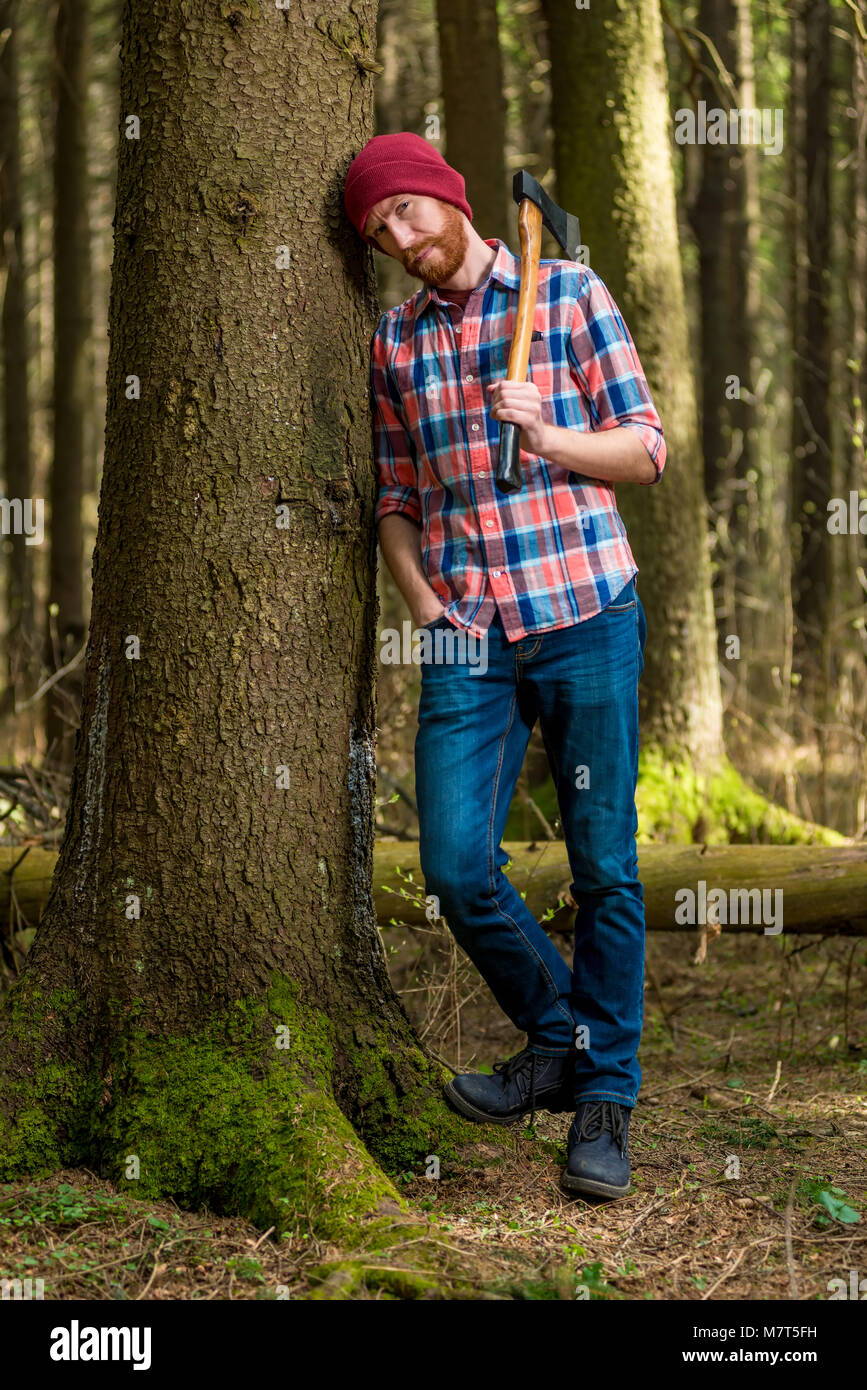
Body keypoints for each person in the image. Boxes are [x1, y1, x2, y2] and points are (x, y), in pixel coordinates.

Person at [344, 133, 666, 1200]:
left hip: (585, 612)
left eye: (407, 213)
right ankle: (564, 1039)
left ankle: (604, 1101)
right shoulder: (395, 341)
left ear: (448, 197)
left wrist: (555, 434)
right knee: (454, 866)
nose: (400, 240)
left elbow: (647, 449)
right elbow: (396, 497)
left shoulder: (567, 295)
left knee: (605, 867)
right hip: (468, 633)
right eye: (378, 232)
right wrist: (426, 605)